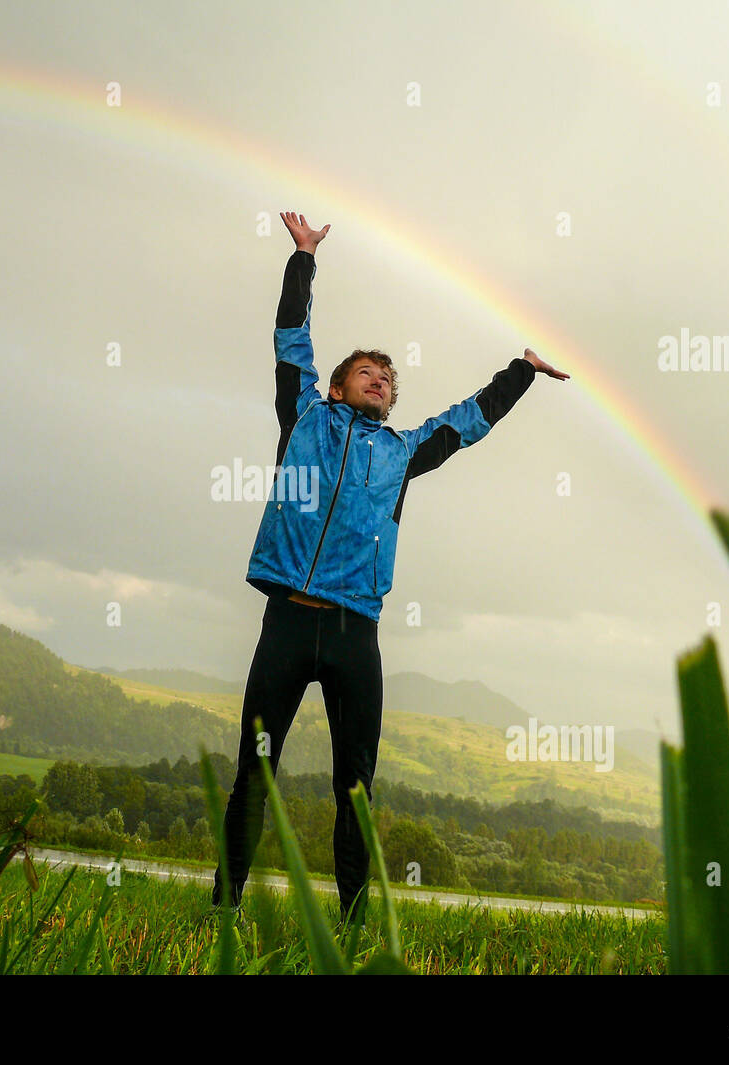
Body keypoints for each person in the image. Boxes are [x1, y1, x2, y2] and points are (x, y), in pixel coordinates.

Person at [212, 211, 569, 926]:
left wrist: (521, 371)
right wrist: (304, 258)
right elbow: (291, 337)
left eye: (388, 377)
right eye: (366, 373)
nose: (380, 380)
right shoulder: (304, 419)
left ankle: (352, 923)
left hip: (355, 636)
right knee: (256, 771)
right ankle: (224, 905)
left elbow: (467, 421)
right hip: (286, 623)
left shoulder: (403, 452)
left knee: (356, 787)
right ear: (338, 388)